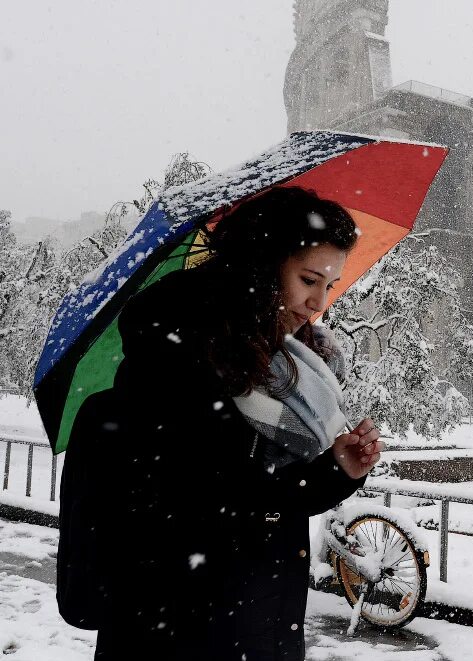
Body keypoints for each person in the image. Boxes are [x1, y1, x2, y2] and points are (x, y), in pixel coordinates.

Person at [93, 187, 383, 661]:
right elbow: (205, 504)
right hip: (178, 630)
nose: (318, 303)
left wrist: (338, 468)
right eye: (309, 279)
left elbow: (270, 500)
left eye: (328, 286)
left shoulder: (282, 367)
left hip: (255, 621)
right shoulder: (175, 356)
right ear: (263, 265)